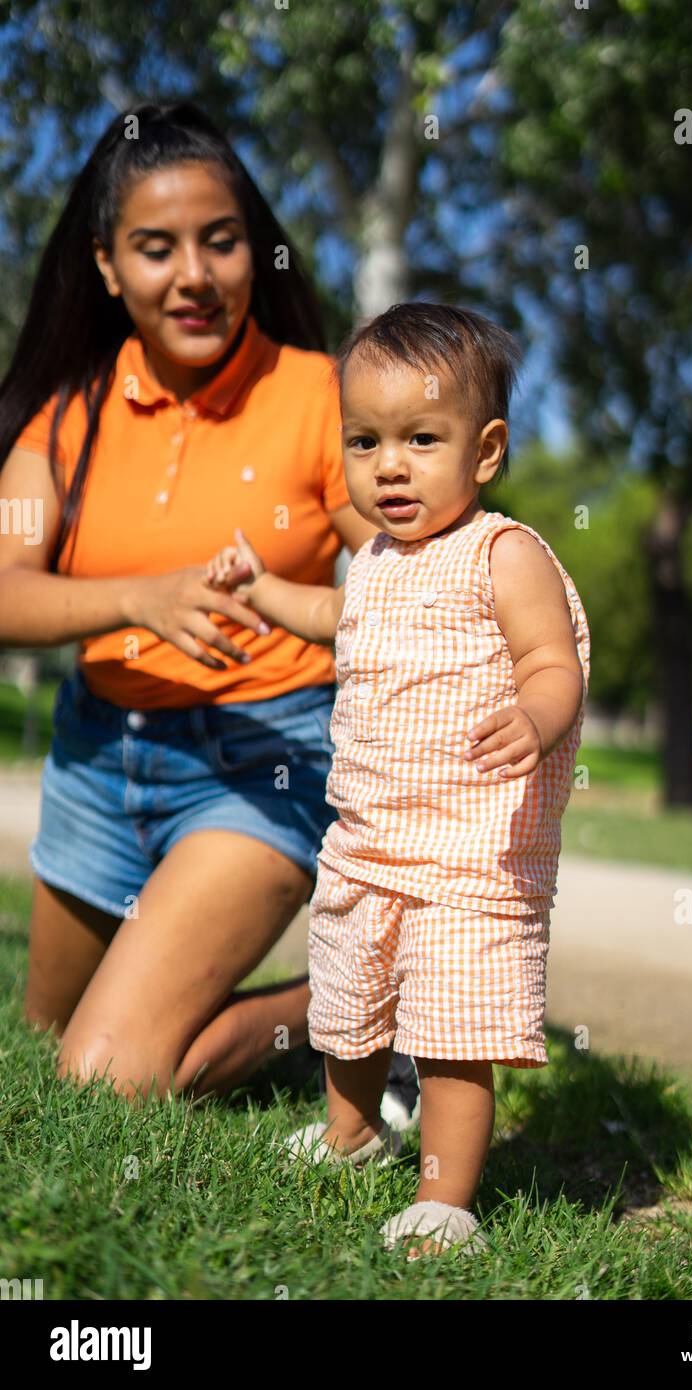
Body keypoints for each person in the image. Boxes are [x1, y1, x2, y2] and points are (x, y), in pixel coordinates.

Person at [0, 100, 417, 1115]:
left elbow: (416, 564)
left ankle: (346, 1001)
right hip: (103, 761)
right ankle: (334, 1004)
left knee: (105, 1080)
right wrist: (138, 598)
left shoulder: (323, 396)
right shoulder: (67, 418)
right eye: (155, 248)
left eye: (220, 241)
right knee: (45, 1048)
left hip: (261, 762)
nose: (193, 275)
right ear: (106, 266)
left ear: (253, 251)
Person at [205, 301, 591, 1257]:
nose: (389, 466)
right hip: (370, 841)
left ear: (486, 451)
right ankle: (352, 1132)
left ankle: (447, 1195)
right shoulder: (374, 564)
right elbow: (330, 615)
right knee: (348, 1006)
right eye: (366, 441)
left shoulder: (501, 555)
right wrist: (257, 589)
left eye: (422, 439)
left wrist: (537, 719)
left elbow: (555, 661)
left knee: (455, 1032)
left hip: (468, 858)